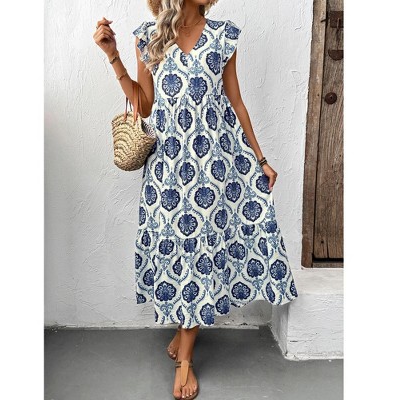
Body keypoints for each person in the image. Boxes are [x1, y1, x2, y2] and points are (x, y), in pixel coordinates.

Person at [93, 1, 299, 398]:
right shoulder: (149, 36)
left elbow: (236, 103)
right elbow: (145, 104)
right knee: (178, 251)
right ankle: (184, 329)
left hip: (212, 168)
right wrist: (113, 55)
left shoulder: (223, 36)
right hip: (167, 170)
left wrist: (261, 159)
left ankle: (185, 360)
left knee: (200, 252)